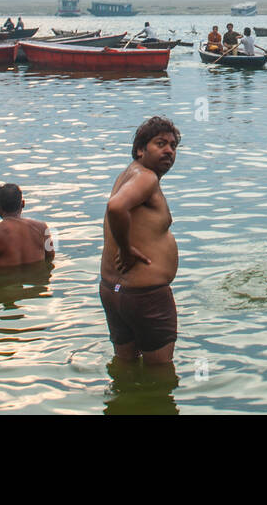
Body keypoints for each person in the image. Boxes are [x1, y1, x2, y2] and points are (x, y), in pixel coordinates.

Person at [100, 117, 182, 364]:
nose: (169, 150)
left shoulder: (127, 174)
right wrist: (126, 251)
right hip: (144, 296)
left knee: (125, 366)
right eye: (160, 143)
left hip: (115, 291)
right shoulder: (146, 178)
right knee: (160, 375)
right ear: (140, 149)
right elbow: (116, 208)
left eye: (173, 146)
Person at [0, 183, 54, 271]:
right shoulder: (42, 228)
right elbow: (50, 257)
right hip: (37, 280)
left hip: (6, 283)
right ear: (23, 204)